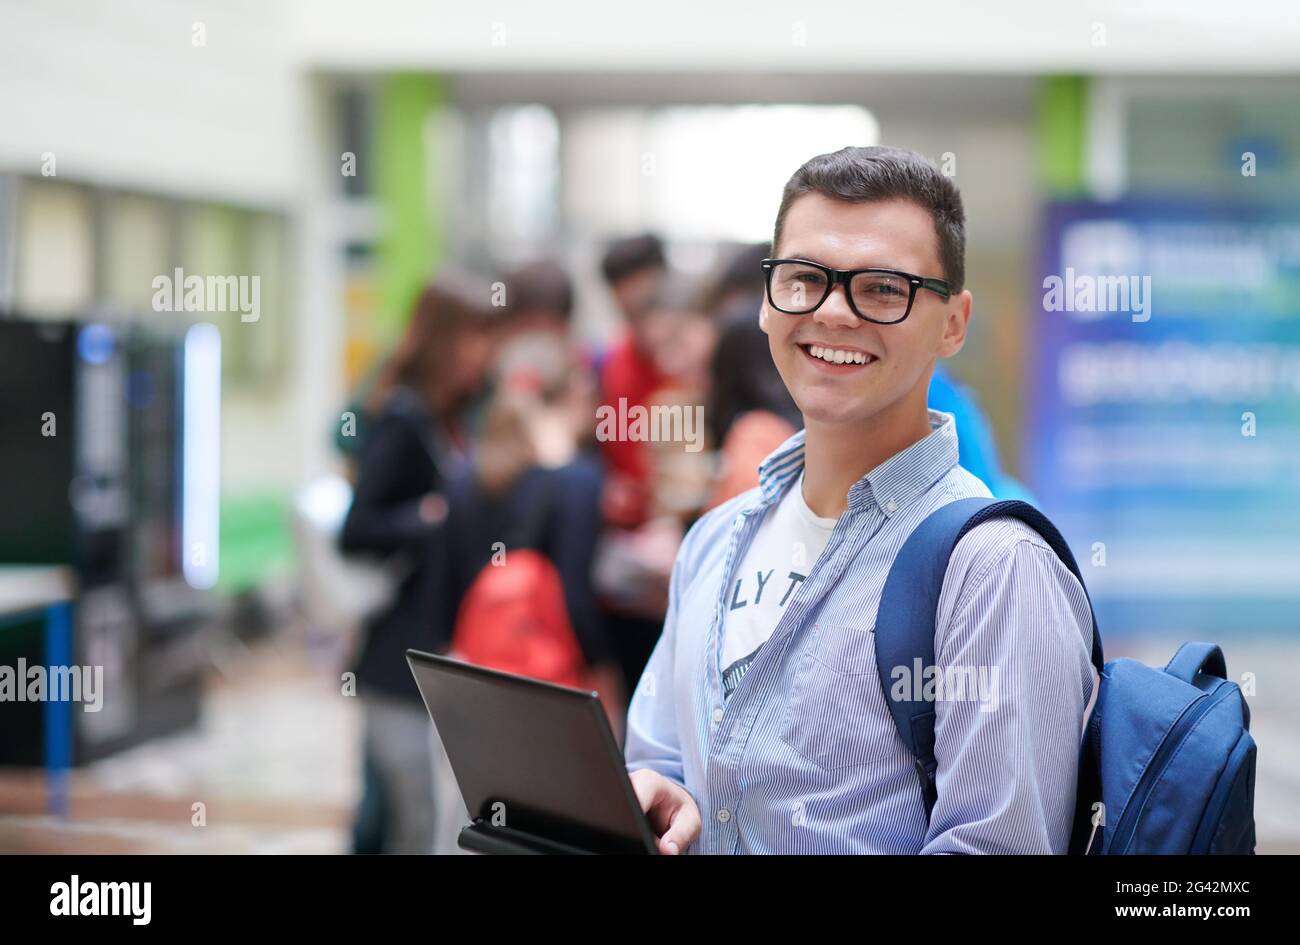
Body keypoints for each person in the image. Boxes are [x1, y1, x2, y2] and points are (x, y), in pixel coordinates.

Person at [623, 146, 1095, 854]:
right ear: (765, 300)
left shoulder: (995, 571)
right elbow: (661, 755)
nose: (833, 312)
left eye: (882, 288)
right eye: (804, 278)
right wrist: (667, 797)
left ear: (953, 323)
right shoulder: (718, 538)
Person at [339, 273, 501, 854]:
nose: (485, 353)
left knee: (392, 813)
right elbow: (355, 530)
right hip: (396, 654)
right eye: (475, 338)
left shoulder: (454, 414)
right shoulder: (404, 418)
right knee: (410, 816)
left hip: (431, 648)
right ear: (446, 340)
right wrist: (430, 517)